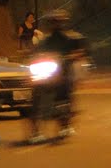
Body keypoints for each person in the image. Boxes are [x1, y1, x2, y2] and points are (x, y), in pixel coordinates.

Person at [28, 9, 89, 144]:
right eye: (53, 22)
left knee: (65, 91)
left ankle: (65, 123)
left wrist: (70, 57)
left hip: (63, 72)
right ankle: (35, 131)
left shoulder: (71, 38)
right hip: (47, 73)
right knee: (36, 98)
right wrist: (32, 58)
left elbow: (80, 52)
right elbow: (36, 53)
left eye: (57, 22)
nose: (55, 24)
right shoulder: (45, 40)